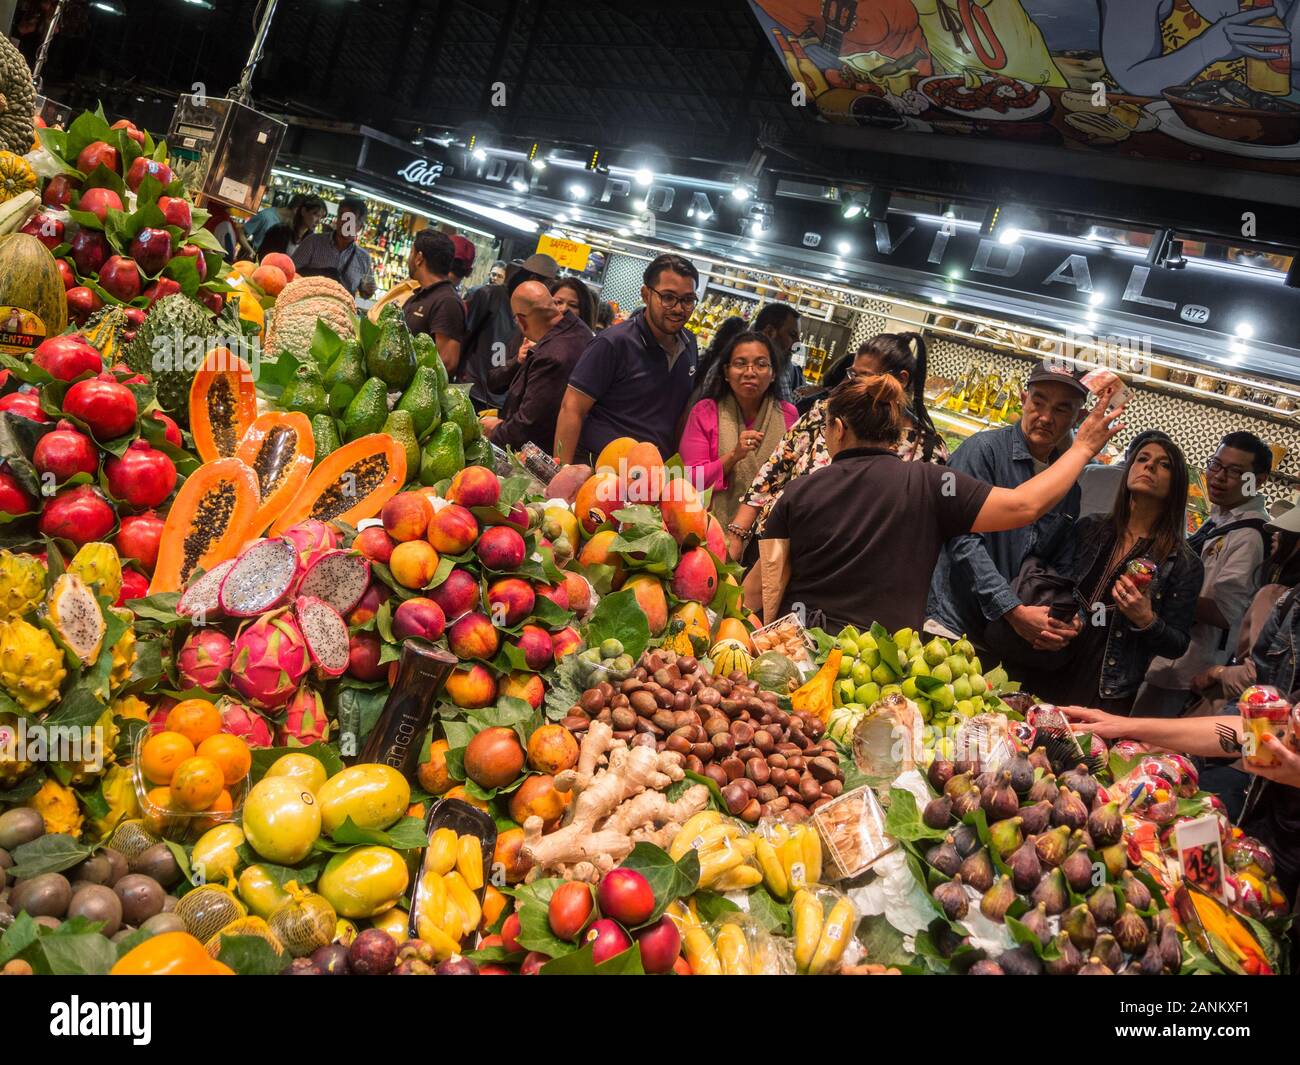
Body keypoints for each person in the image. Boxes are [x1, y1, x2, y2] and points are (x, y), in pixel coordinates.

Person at [758, 373, 1124, 633]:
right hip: (877, 663)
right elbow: (1023, 507)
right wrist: (1083, 450)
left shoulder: (800, 491)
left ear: (837, 428)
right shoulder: (930, 484)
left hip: (800, 647)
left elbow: (762, 589)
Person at [1019, 432, 1203, 714]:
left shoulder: (1183, 562)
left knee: (1077, 755)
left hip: (1107, 682)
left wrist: (1146, 619)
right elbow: (1049, 579)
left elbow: (1177, 645)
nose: (1149, 466)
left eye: (1164, 464)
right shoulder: (1090, 528)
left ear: (1177, 484)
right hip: (1053, 655)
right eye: (1142, 458)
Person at [726, 334, 946, 565]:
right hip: (774, 548)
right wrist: (738, 533)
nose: (853, 383)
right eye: (852, 374)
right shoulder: (827, 412)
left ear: (900, 380)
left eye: (865, 376)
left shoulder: (927, 450)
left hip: (846, 569)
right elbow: (774, 469)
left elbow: (915, 527)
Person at [1063, 692, 1300, 904]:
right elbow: (1254, 734)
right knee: (1214, 900)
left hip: (1291, 860)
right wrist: (1125, 725)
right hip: (1270, 832)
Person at [925, 362, 1091, 653]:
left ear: (1079, 417)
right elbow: (962, 539)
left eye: (1062, 409)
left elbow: (1057, 566)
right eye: (1038, 402)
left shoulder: (1068, 489)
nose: (1046, 417)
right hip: (948, 624)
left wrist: (1064, 616)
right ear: (1024, 400)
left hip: (1003, 638)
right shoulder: (983, 451)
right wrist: (1011, 609)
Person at [1136, 432, 1272, 717]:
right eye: (1216, 465)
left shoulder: (1249, 536)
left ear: (1258, 481)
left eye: (1235, 471)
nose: (1219, 477)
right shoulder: (1219, 519)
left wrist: (1159, 591)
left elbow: (1225, 611)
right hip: (1166, 658)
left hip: (1188, 670)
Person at [554, 253, 700, 464]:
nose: (678, 308)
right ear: (646, 294)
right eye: (668, 297)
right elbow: (572, 408)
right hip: (598, 470)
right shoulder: (614, 342)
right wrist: (561, 472)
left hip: (648, 478)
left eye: (688, 300)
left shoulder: (689, 344)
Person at [679, 332, 798, 528]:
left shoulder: (788, 415)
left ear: (773, 373)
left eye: (761, 364)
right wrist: (733, 456)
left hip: (764, 533)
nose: (750, 372)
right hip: (708, 527)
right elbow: (689, 480)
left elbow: (792, 480)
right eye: (740, 363)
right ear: (726, 372)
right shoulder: (705, 412)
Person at [480, 280, 594, 453]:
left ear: (522, 321)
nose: (564, 307)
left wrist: (494, 431)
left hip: (538, 458)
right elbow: (495, 379)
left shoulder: (552, 355)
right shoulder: (579, 331)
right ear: (554, 305)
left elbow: (529, 425)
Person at [463, 253, 559, 409]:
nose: (550, 291)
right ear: (533, 279)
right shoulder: (489, 295)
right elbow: (466, 335)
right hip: (474, 390)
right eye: (548, 284)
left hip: (503, 399)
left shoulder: (541, 313)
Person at [401, 230, 465, 376]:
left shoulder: (447, 302)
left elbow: (447, 362)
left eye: (411, 253)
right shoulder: (420, 294)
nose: (408, 259)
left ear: (419, 258)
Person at [291, 196, 376, 298]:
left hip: (339, 311)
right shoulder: (313, 242)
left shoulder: (364, 258)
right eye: (342, 217)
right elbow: (291, 272)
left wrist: (368, 290)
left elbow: (366, 294)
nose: (344, 224)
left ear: (360, 227)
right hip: (305, 305)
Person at [754, 302, 803, 400]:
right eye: (792, 335)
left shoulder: (781, 370)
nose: (797, 345)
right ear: (770, 332)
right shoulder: (748, 371)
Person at [259, 194, 327, 259]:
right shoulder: (279, 231)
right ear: (303, 211)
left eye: (321, 218)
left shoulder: (311, 239)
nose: (318, 221)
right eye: (316, 215)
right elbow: (264, 256)